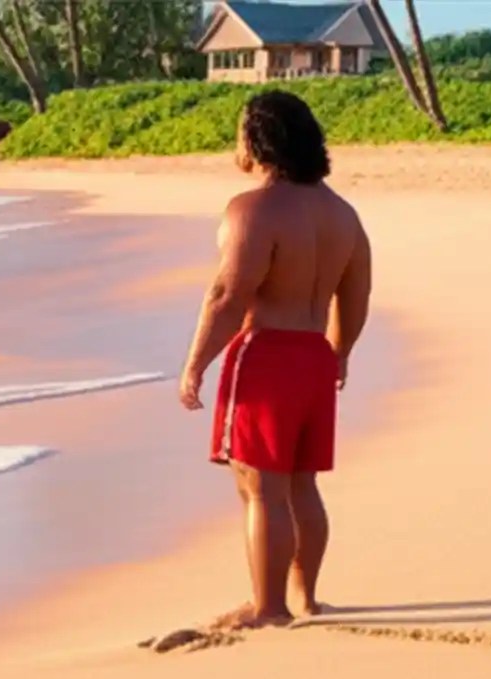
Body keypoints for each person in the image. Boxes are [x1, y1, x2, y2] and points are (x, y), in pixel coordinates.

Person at [178, 90, 372, 631]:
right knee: (302, 485)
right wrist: (340, 352)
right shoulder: (343, 216)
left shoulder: (252, 209)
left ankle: (267, 608)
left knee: (260, 488)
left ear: (258, 141)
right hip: (313, 355)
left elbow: (227, 294)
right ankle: (305, 597)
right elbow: (356, 296)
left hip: (266, 355)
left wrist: (196, 363)